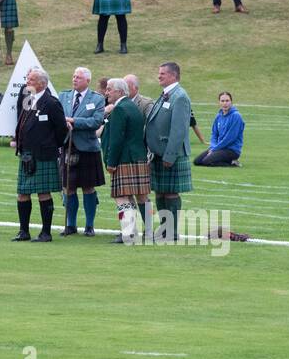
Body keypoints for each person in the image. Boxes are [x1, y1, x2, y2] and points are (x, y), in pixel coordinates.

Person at [10, 68, 67, 242]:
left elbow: (62, 130)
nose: (28, 82)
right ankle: (23, 231)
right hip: (26, 154)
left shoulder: (51, 103)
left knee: (43, 192)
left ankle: (46, 233)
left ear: (42, 83)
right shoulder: (28, 99)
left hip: (44, 154)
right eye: (28, 79)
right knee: (22, 192)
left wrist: (50, 145)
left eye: (32, 80)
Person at [144, 61, 193, 241]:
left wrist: (170, 155)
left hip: (169, 154)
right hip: (158, 153)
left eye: (163, 74)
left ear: (173, 75)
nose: (159, 76)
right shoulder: (166, 94)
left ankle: (172, 232)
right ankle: (165, 229)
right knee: (160, 191)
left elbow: (179, 129)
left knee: (171, 192)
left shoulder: (179, 97)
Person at [102, 76, 151, 244]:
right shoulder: (132, 106)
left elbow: (116, 139)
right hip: (138, 157)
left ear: (120, 91)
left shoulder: (120, 109)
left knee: (121, 196)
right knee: (142, 196)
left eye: (109, 89)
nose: (106, 92)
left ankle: (129, 233)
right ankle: (149, 231)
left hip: (124, 159)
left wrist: (111, 162)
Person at [58, 66, 105, 237]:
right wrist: (64, 123)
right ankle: (70, 225)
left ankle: (89, 225)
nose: (74, 79)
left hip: (87, 149)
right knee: (68, 188)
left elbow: (96, 122)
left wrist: (73, 121)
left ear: (87, 80)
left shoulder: (97, 99)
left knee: (88, 188)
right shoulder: (63, 96)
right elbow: (56, 117)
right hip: (67, 146)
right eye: (73, 76)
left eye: (78, 77)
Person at [195, 92, 245, 167]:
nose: (225, 103)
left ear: (231, 102)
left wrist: (214, 149)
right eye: (222, 101)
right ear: (219, 102)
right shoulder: (218, 116)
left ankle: (233, 163)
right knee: (197, 161)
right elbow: (214, 134)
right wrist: (213, 147)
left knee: (207, 161)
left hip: (231, 150)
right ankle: (224, 159)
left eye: (227, 101)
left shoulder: (236, 116)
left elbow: (230, 138)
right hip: (218, 148)